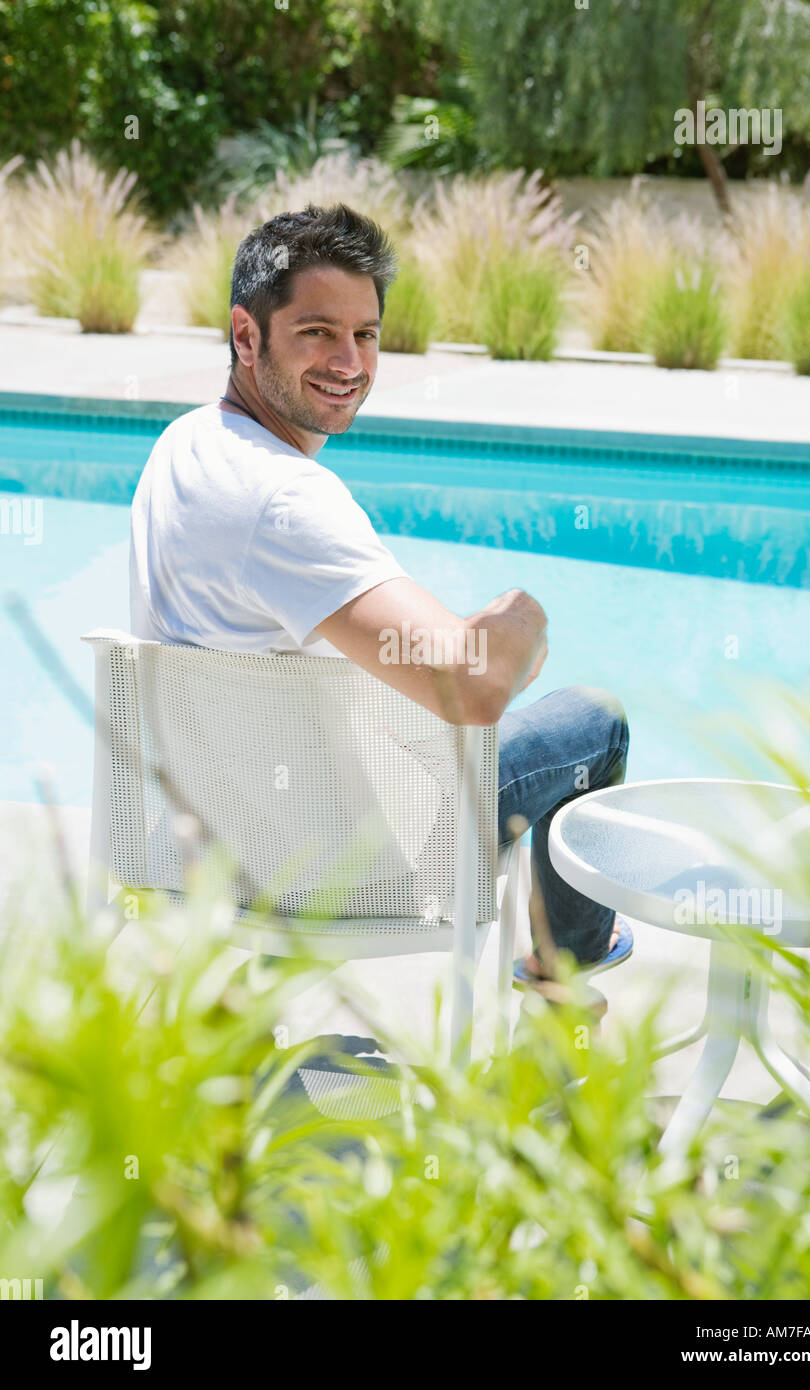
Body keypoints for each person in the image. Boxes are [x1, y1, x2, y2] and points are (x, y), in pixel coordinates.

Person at [129, 203, 632, 993]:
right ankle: (559, 987)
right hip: (332, 865)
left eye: (365, 334)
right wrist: (522, 620)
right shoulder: (289, 501)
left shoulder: (182, 446)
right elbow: (475, 688)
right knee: (596, 722)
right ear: (246, 333)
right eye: (318, 331)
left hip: (210, 838)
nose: (349, 361)